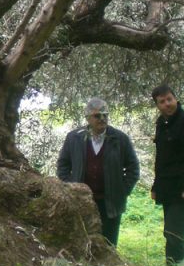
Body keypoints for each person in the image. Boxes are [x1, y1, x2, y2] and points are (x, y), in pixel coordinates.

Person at [57, 98, 140, 247]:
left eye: (105, 115)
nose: (102, 119)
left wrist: (122, 190)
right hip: (81, 202)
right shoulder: (74, 138)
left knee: (108, 245)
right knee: (83, 244)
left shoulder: (120, 139)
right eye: (97, 116)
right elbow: (63, 165)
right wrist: (71, 188)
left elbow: (133, 168)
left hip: (110, 203)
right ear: (87, 118)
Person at [150, 84, 184, 266]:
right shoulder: (162, 124)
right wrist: (156, 186)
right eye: (162, 101)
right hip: (168, 187)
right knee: (170, 233)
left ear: (176, 99)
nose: (167, 104)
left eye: (169, 99)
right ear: (157, 105)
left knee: (175, 233)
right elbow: (161, 159)